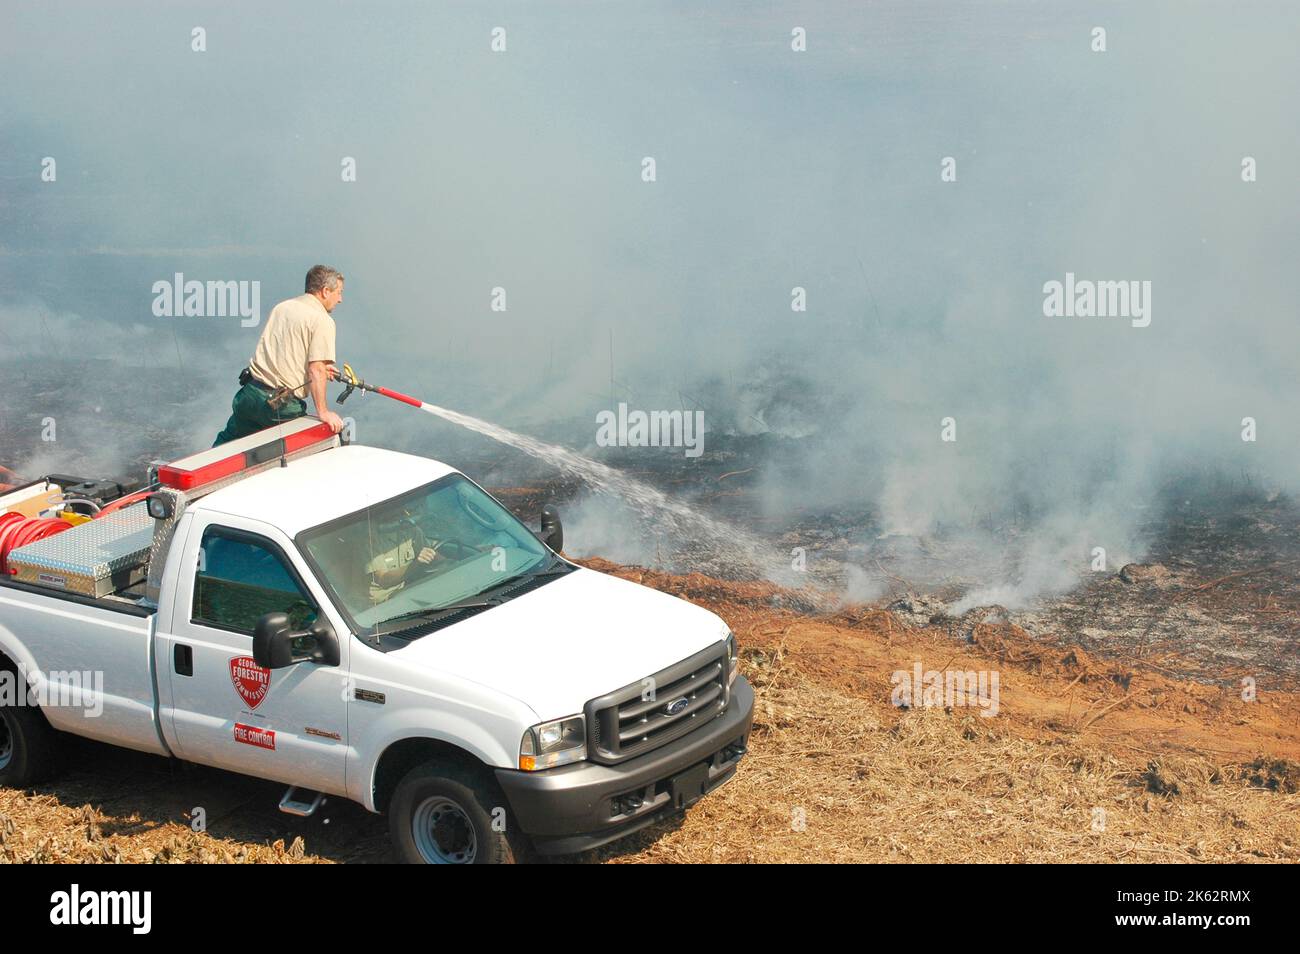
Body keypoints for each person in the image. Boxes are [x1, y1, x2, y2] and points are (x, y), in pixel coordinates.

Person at [213, 265, 347, 445]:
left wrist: (321, 367)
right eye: (339, 292)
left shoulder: (283, 307)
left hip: (250, 394)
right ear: (325, 291)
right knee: (315, 447)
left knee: (224, 448)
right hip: (279, 407)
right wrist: (323, 412)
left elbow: (284, 351)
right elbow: (316, 370)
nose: (340, 299)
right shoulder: (323, 320)